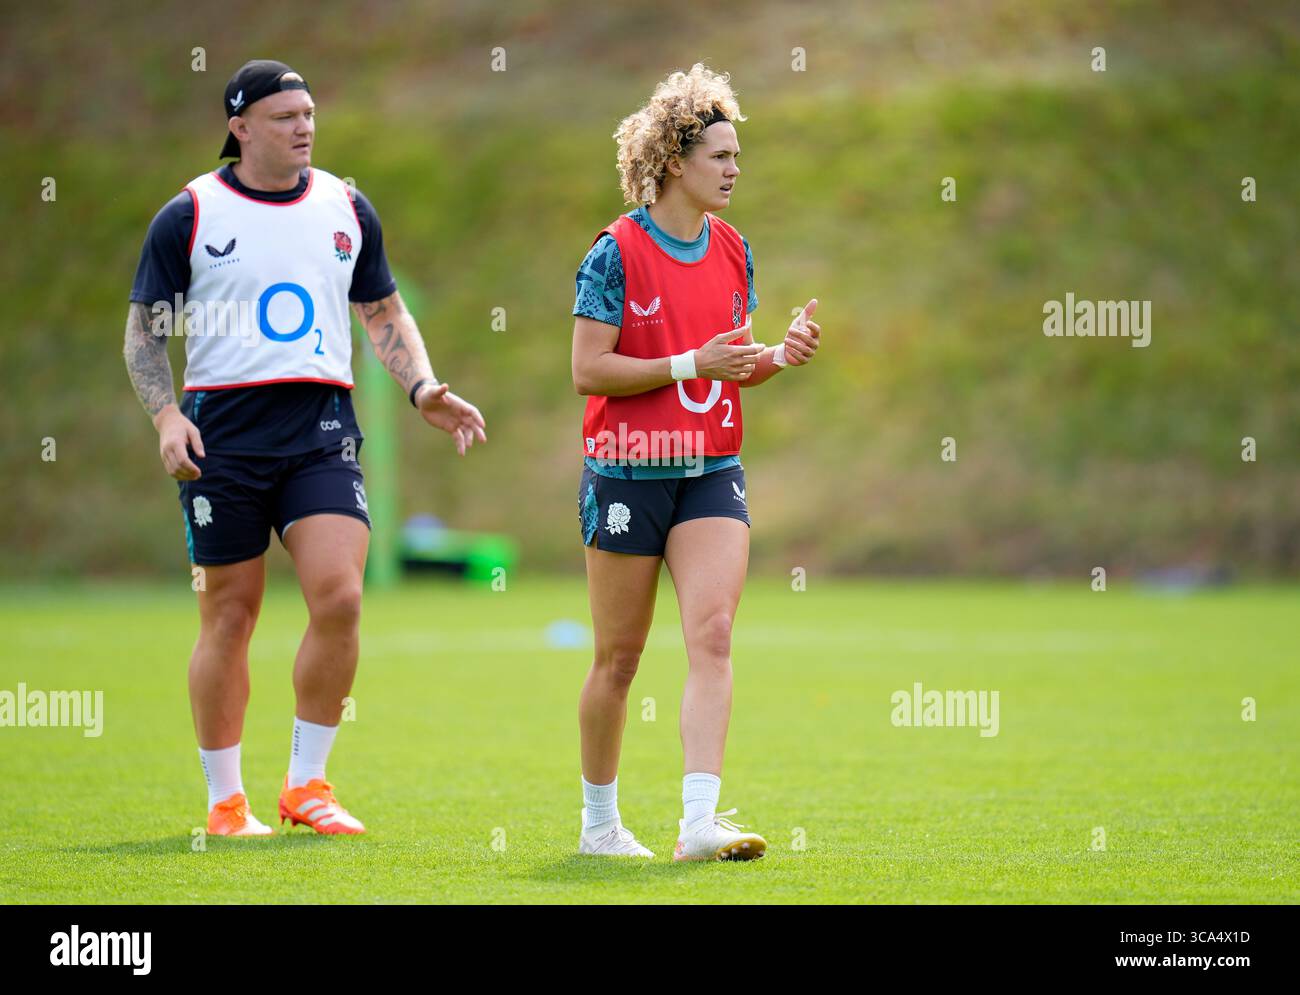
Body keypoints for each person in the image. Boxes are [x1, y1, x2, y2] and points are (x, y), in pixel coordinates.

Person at [123, 59, 486, 837]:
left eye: (310, 112)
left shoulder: (346, 206)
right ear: (240, 127)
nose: (304, 126)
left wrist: (423, 388)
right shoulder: (189, 214)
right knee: (231, 614)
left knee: (342, 596)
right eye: (285, 115)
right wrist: (164, 417)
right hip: (223, 435)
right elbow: (144, 337)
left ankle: (307, 784)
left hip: (321, 427)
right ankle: (226, 801)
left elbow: (382, 310)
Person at [570, 64, 822, 860]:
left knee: (712, 633)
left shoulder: (735, 249)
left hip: (710, 467)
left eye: (737, 155)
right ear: (674, 161)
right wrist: (686, 364)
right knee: (619, 658)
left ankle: (698, 822)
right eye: (719, 155)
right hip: (627, 468)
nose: (733, 169)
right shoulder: (614, 252)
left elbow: (734, 365)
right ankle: (601, 825)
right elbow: (588, 368)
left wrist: (780, 353)